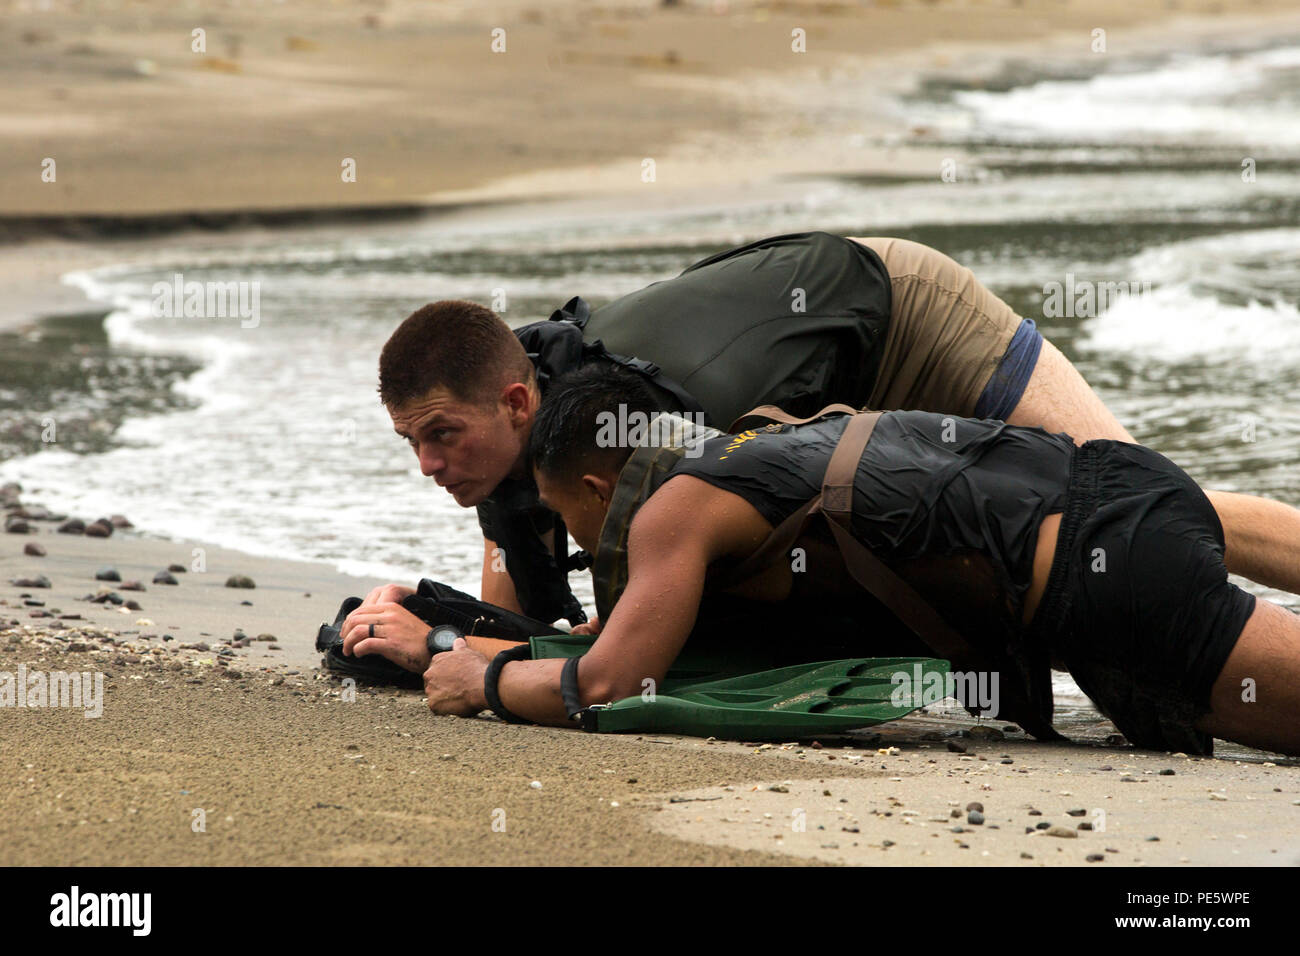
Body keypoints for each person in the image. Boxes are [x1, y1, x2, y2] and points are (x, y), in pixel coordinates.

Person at [339, 232, 1300, 657]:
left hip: (910, 319)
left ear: (514, 400)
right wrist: (431, 624)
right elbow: (540, 631)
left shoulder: (658, 423)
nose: (428, 467)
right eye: (409, 445)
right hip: (823, 403)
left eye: (440, 437)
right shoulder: (530, 446)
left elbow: (641, 634)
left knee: (1128, 510)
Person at [414, 364, 1300, 757]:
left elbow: (607, 686)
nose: (575, 549)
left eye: (571, 523)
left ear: (603, 487)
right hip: (1116, 495)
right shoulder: (762, 442)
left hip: (1104, 575)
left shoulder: (671, 517)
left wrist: (479, 685)